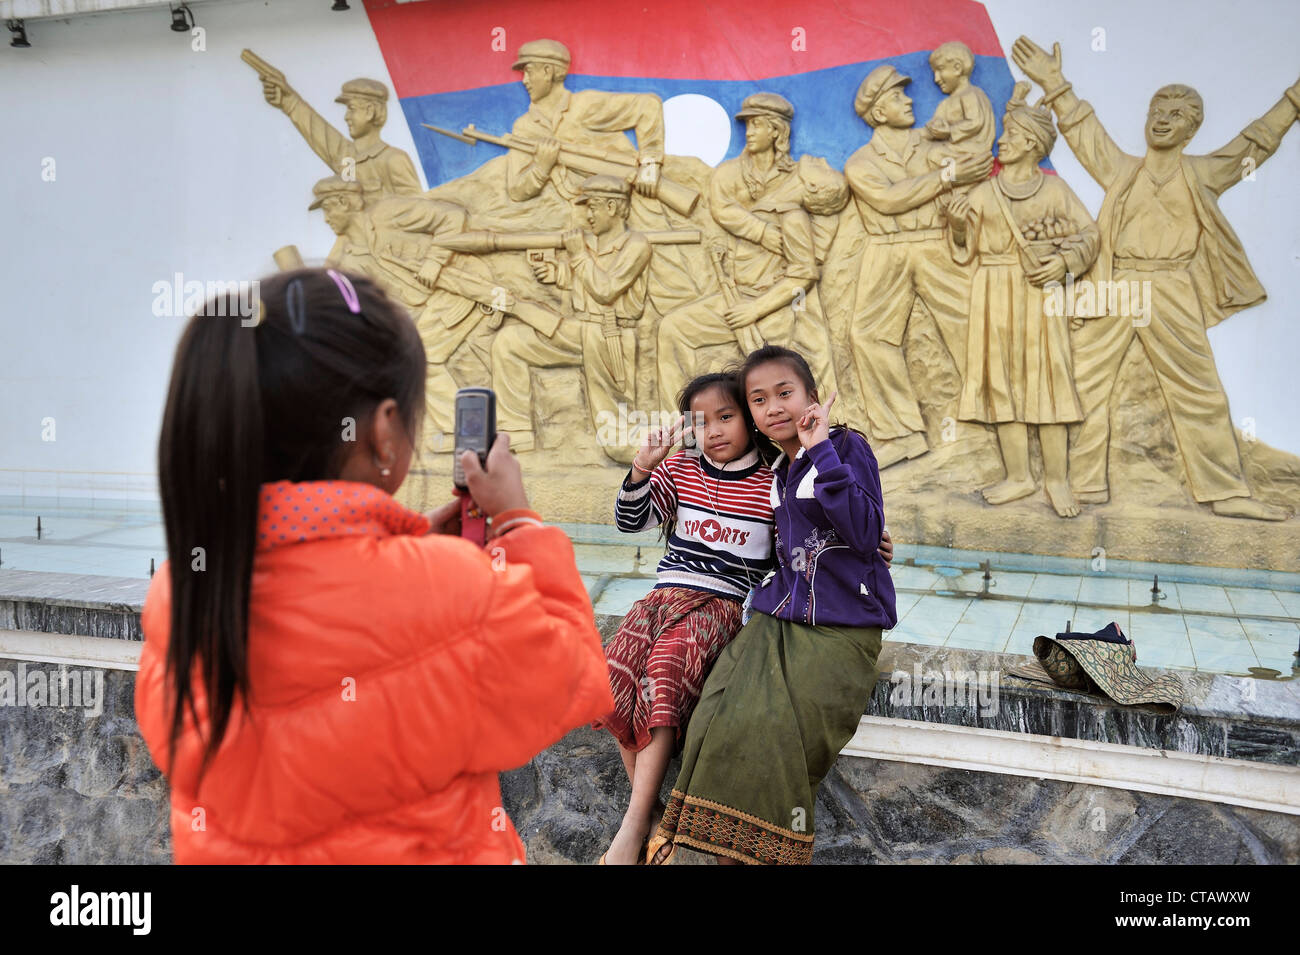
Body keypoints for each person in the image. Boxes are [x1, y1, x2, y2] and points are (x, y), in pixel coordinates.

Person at [133, 267, 613, 864]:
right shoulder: (449, 591)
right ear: (385, 433)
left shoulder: (182, 589)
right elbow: (575, 678)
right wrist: (517, 522)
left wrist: (409, 547)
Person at [1012, 36, 1300, 520]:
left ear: (1192, 130)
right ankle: (1083, 484)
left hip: (1172, 288)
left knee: (1199, 388)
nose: (1163, 120)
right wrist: (1054, 82)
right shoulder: (1122, 170)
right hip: (1118, 285)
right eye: (1157, 110)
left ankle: (1224, 490)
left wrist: (1293, 101)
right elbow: (1085, 133)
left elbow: (1255, 142)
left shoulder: (1204, 172)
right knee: (1083, 383)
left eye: (1177, 116)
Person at [649, 345, 898, 865]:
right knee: (716, 713)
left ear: (810, 394)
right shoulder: (778, 473)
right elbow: (783, 556)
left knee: (773, 732)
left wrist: (821, 448)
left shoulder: (846, 448)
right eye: (758, 400)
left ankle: (762, 849)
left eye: (785, 393)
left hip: (842, 628)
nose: (773, 407)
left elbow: (865, 530)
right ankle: (711, 849)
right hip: (778, 619)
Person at [593, 372, 777, 864]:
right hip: (662, 598)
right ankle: (652, 819)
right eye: (702, 422)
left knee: (666, 670)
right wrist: (641, 468)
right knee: (612, 675)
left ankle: (632, 829)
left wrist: (870, 549)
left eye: (726, 416)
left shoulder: (773, 481)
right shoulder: (680, 471)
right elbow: (631, 521)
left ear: (748, 418)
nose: (714, 430)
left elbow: (803, 548)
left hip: (719, 606)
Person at [944, 84, 1100, 516]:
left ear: (1031, 143)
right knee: (1001, 386)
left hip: (1038, 293)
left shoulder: (1054, 191)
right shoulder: (982, 193)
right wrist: (958, 226)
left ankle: (1057, 480)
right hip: (992, 292)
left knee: (1047, 382)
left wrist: (1064, 263)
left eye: (1009, 134)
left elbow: (1090, 235)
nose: (1002, 140)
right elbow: (965, 250)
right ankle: (1018, 476)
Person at [656, 94, 849, 417]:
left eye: (758, 124)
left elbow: (803, 273)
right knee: (673, 329)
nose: (750, 131)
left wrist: (755, 310)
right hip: (736, 297)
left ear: (777, 131)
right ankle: (683, 430)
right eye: (748, 124)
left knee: (787, 370)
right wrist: (762, 233)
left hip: (780, 305)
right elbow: (722, 209)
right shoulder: (730, 176)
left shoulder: (794, 199)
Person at [844, 65, 992, 468]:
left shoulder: (933, 150)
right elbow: (890, 200)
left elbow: (970, 176)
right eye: (896, 97)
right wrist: (947, 176)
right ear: (876, 112)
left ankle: (996, 417)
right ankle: (902, 434)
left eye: (905, 94)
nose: (909, 100)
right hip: (886, 249)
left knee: (969, 323)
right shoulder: (860, 163)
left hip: (933, 242)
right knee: (868, 335)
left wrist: (954, 181)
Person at [492, 174, 651, 463]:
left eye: (593, 207)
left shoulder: (636, 246)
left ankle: (671, 452)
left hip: (609, 335)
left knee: (616, 441)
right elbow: (584, 280)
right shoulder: (591, 244)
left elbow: (606, 290)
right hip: (579, 329)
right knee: (509, 342)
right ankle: (515, 433)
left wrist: (577, 256)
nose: (587, 215)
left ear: (613, 208)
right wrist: (558, 274)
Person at [261, 75, 422, 201]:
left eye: (351, 109)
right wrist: (288, 101)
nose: (346, 117)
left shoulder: (394, 159)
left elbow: (416, 209)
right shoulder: (348, 159)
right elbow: (318, 131)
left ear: (369, 111)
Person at [921, 41, 996, 177]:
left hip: (972, 150)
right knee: (926, 153)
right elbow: (937, 122)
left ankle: (955, 183)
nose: (936, 79)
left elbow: (975, 122)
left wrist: (949, 131)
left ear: (957, 68)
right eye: (934, 72)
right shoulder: (945, 103)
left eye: (940, 70)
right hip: (954, 148)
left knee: (934, 155)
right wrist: (934, 128)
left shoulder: (970, 94)